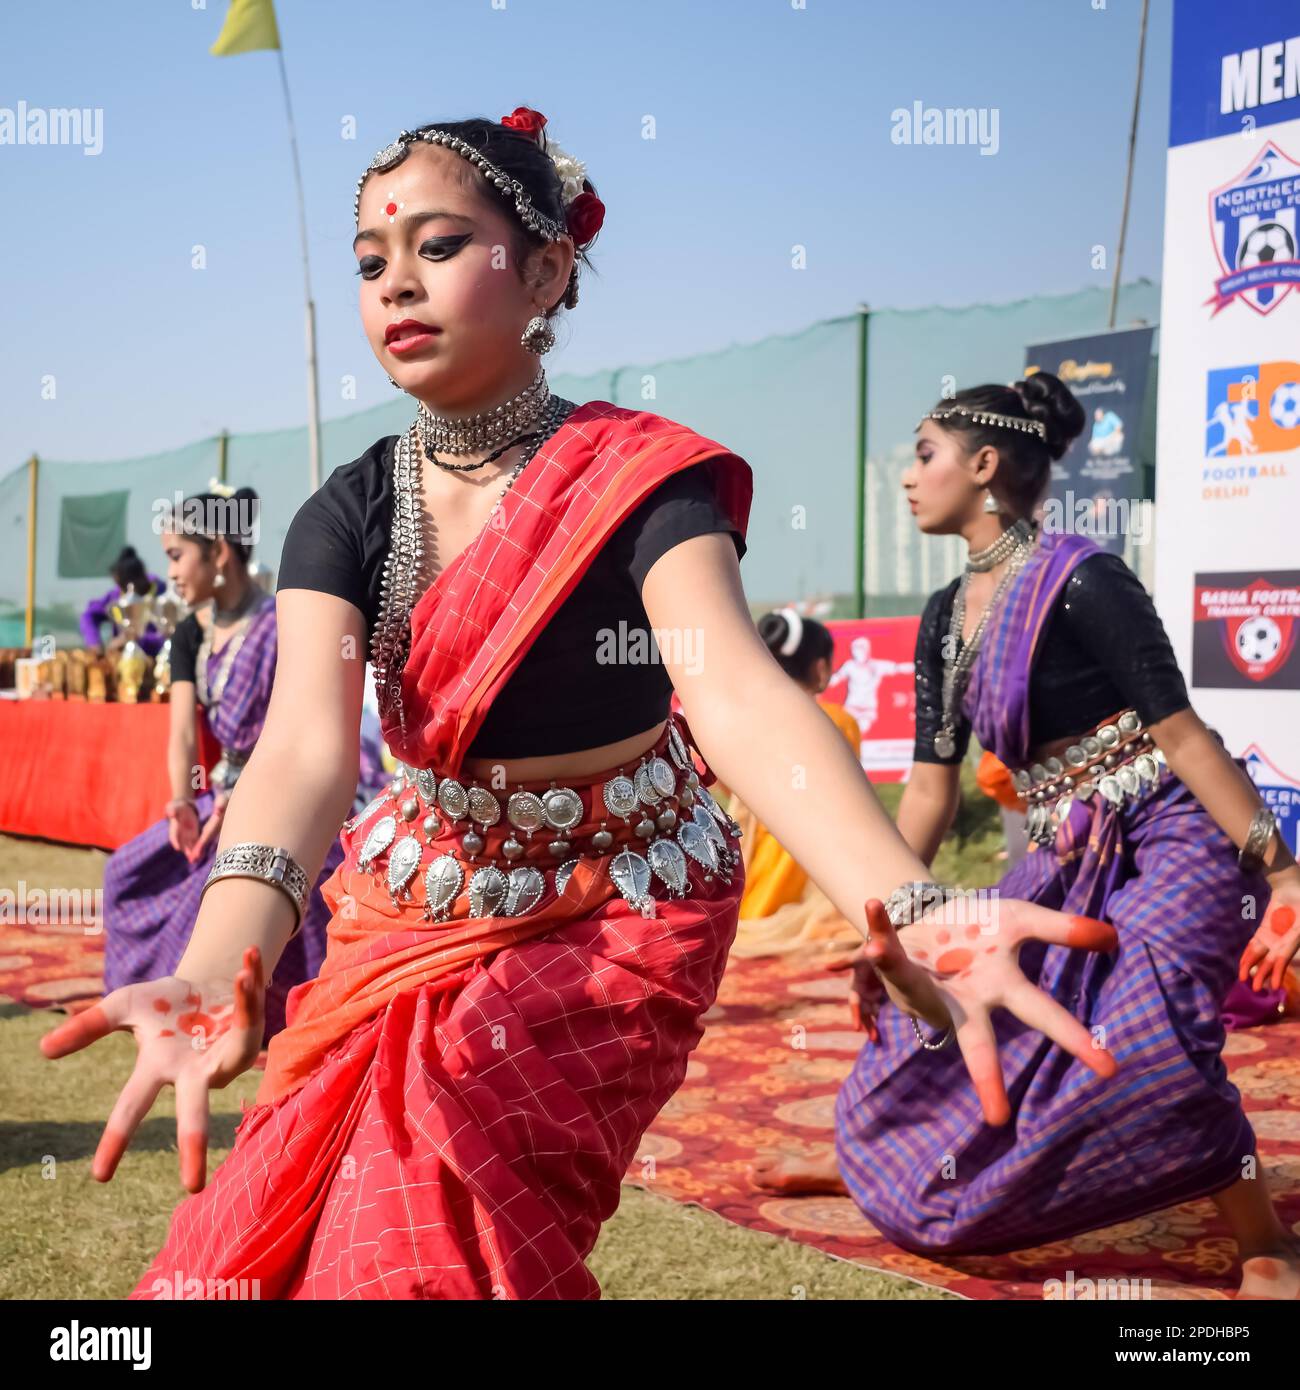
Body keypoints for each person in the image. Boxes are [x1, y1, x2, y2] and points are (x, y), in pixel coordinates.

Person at [41, 109, 1117, 1301]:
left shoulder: (643, 480)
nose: (395, 280)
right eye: (367, 261)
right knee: (265, 1243)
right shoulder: (343, 515)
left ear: (546, 269)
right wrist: (215, 959)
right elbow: (300, 753)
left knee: (424, 1256)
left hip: (618, 916)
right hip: (410, 909)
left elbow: (736, 694)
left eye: (440, 246)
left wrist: (910, 900)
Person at [832, 373, 1300, 1297]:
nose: (907, 478)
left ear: (985, 464)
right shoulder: (941, 621)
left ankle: (1265, 1240)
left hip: (1175, 834)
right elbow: (928, 792)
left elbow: (1181, 734)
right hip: (1064, 855)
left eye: (923, 456)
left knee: (1152, 1035)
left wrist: (1285, 875)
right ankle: (943, 1162)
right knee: (949, 1026)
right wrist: (889, 920)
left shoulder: (1085, 578)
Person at [99, 484, 334, 1043]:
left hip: (287, 793)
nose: (171, 572)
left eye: (177, 555)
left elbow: (301, 726)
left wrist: (242, 802)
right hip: (218, 794)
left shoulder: (286, 620)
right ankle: (165, 1010)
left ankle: (271, 1023)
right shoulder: (189, 632)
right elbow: (183, 730)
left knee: (302, 885)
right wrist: (182, 801)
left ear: (220, 553)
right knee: (125, 874)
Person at [728, 608, 863, 959]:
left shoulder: (744, 720)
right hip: (811, 863)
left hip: (752, 860)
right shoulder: (837, 720)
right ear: (820, 668)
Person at [80, 546, 167, 658]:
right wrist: (94, 643)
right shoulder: (116, 597)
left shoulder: (162, 594)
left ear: (140, 578)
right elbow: (89, 616)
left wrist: (135, 638)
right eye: (119, 586)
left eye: (123, 586)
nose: (124, 593)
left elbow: (168, 636)